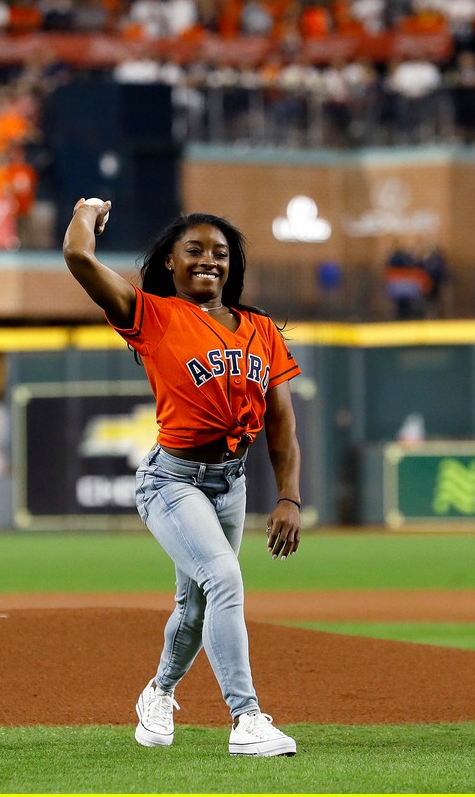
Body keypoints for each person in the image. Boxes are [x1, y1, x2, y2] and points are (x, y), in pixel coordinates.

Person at [62, 198, 301, 758]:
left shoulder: (262, 330)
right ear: (169, 261)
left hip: (231, 483)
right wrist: (85, 212)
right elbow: (77, 256)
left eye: (219, 253)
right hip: (173, 481)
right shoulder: (152, 314)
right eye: (193, 250)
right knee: (225, 580)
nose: (208, 261)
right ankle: (246, 718)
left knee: (195, 607)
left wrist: (289, 496)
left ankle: (158, 691)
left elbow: (283, 421)